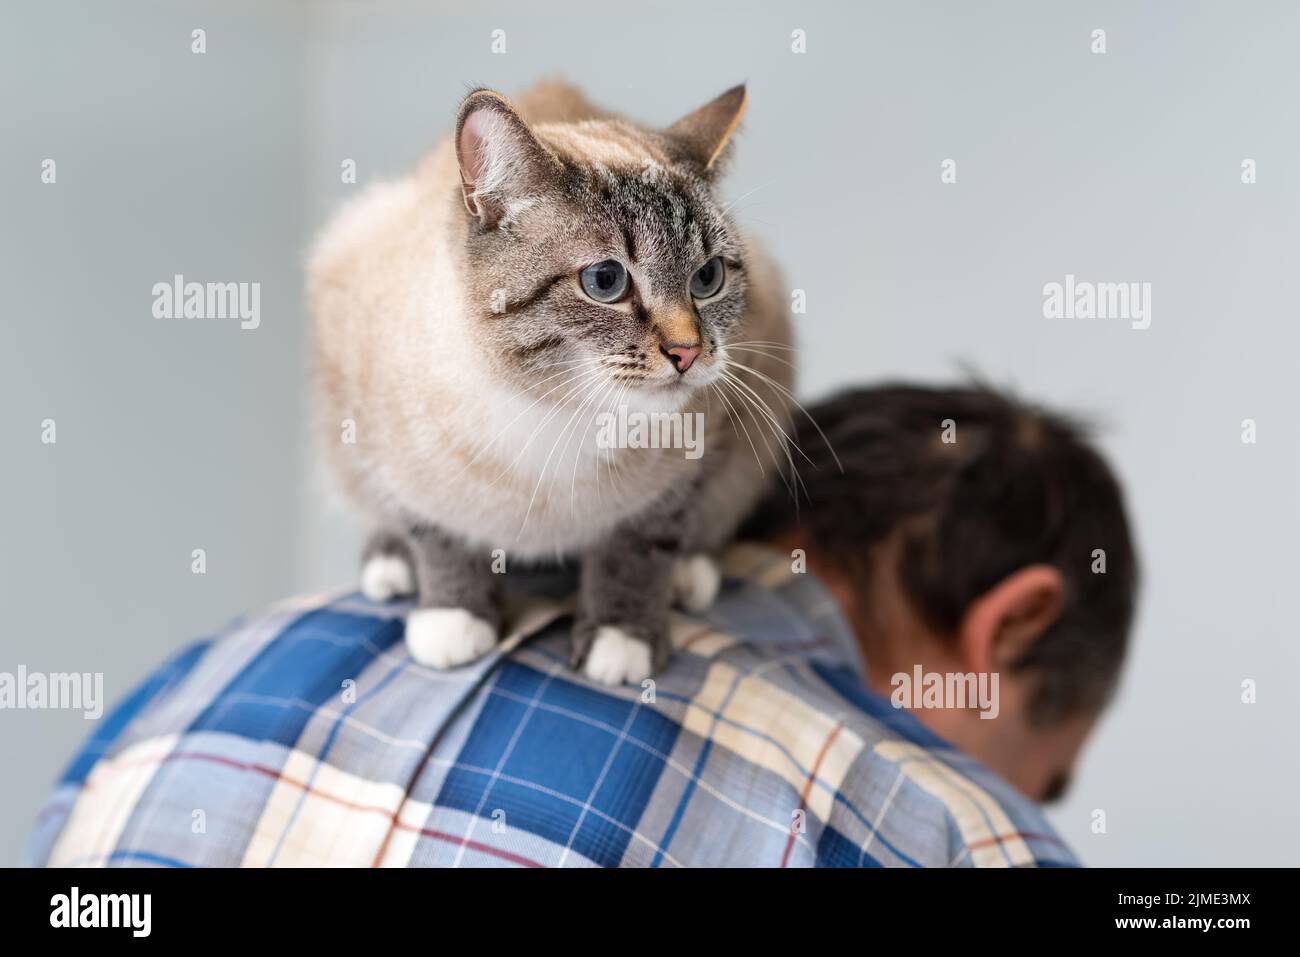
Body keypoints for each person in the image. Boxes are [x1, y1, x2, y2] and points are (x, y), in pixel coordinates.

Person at [30, 383, 1137, 868]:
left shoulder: (189, 686)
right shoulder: (950, 836)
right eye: (1044, 771)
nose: (1016, 796)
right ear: (1012, 625)